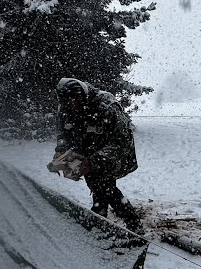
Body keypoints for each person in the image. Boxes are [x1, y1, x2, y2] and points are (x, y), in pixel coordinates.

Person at [50, 77, 143, 233]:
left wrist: (92, 161)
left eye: (74, 103)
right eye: (66, 103)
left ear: (82, 97)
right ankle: (102, 216)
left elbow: (120, 143)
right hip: (86, 148)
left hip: (112, 152)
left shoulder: (106, 106)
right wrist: (61, 152)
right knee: (96, 184)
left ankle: (131, 224)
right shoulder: (65, 107)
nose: (71, 107)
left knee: (106, 186)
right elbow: (63, 133)